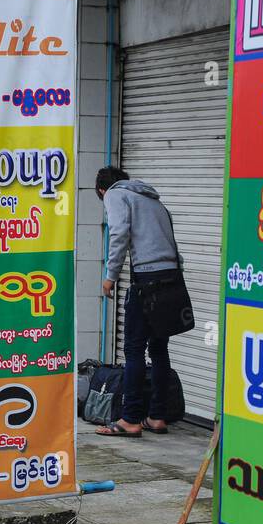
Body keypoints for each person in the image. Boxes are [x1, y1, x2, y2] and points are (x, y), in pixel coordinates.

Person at [94, 166, 181, 438]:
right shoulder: (152, 199)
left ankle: (130, 419)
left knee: (133, 349)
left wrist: (110, 276)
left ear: (101, 190)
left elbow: (118, 233)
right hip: (171, 278)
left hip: (147, 280)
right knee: (158, 349)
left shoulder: (115, 195)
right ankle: (156, 417)